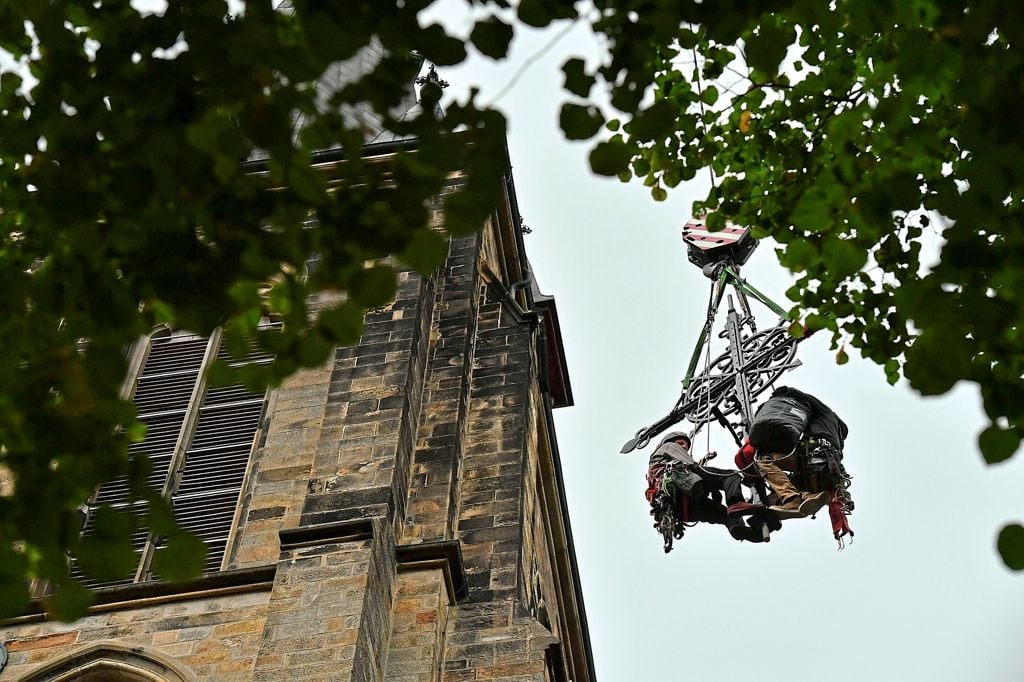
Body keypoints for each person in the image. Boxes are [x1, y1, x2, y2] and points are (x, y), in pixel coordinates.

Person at [646, 432, 765, 542]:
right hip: (681, 483)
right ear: (670, 441)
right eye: (681, 443)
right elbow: (690, 464)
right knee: (730, 476)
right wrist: (713, 485)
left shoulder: (655, 464)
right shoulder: (668, 446)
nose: (684, 447)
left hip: (683, 508)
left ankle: (741, 529)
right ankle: (736, 502)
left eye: (686, 446)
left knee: (725, 515)